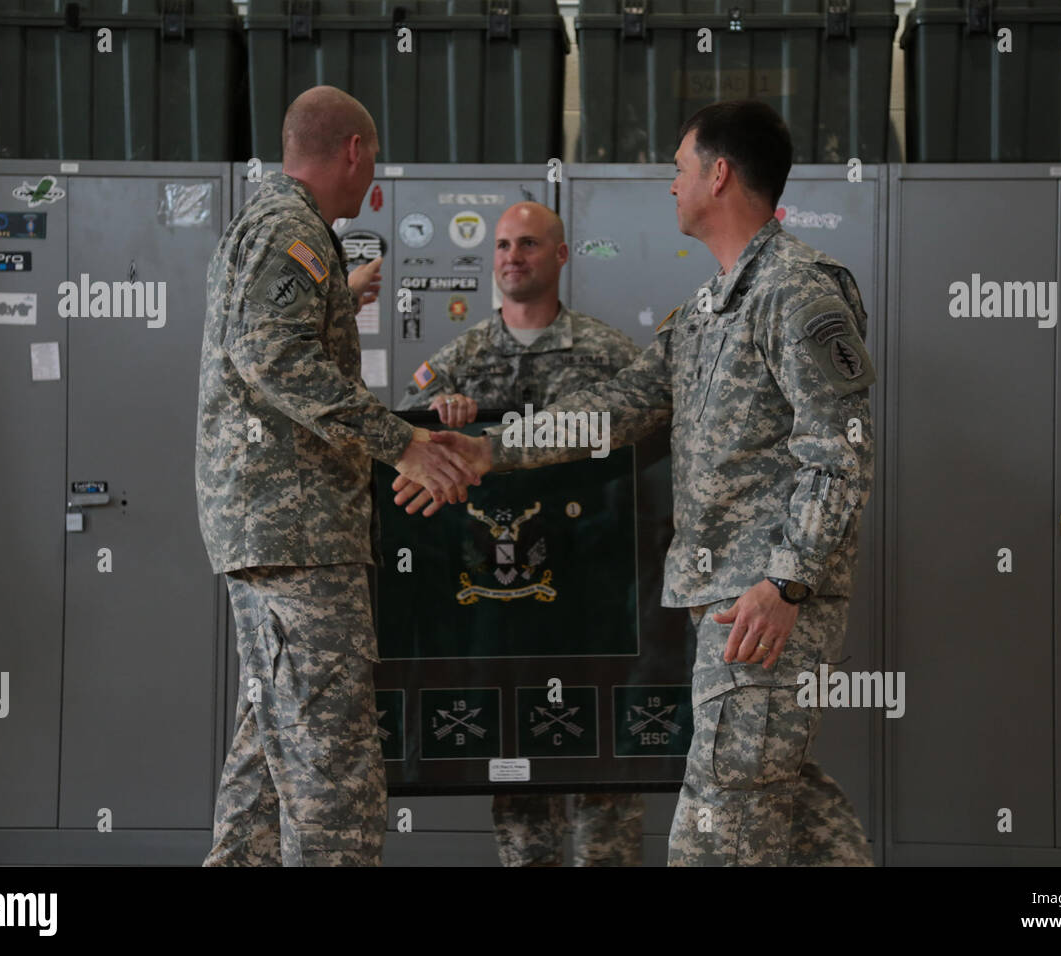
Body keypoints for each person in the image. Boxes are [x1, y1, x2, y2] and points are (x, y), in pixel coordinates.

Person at [397, 100, 877, 866]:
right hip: (718, 602)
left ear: (719, 175)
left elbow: (842, 455)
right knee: (784, 796)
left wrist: (785, 585)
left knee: (715, 829)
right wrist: (492, 451)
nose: (672, 185)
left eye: (680, 168)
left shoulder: (799, 291)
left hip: (759, 608)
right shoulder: (703, 313)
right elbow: (614, 413)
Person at [195, 85, 480, 867]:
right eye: (374, 158)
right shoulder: (296, 230)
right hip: (299, 537)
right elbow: (273, 355)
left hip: (273, 533)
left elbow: (262, 341)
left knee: (270, 763)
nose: (373, 175)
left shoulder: (265, 225)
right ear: (354, 151)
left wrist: (334, 299)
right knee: (334, 779)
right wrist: (404, 444)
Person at [396, 201, 648, 866]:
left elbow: (649, 439)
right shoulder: (462, 359)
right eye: (504, 245)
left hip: (596, 591)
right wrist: (436, 413)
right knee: (516, 758)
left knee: (602, 761)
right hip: (500, 594)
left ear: (561, 256)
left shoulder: (608, 353)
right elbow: (403, 447)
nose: (512, 256)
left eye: (529, 244)